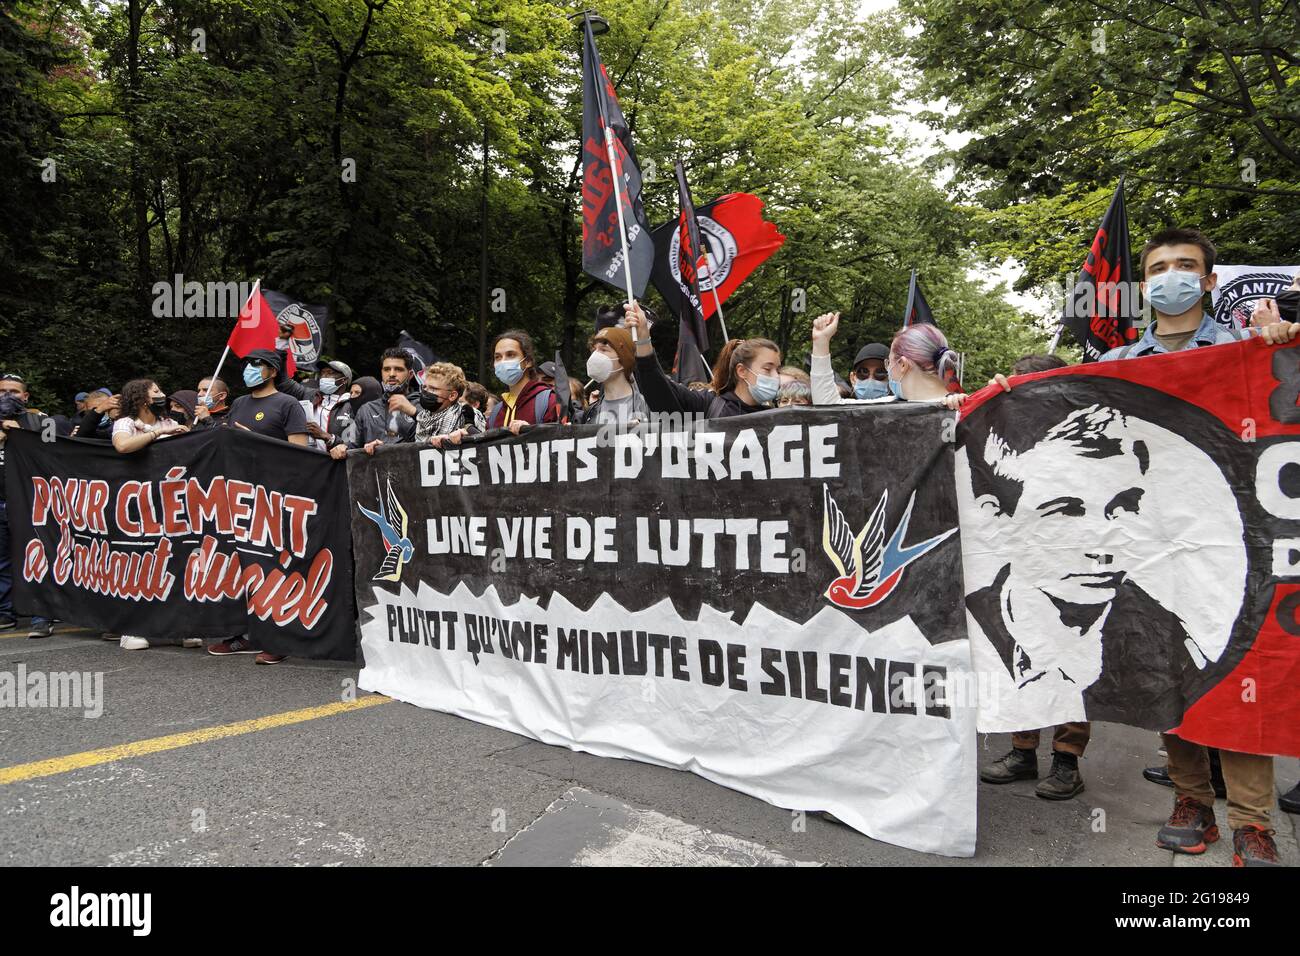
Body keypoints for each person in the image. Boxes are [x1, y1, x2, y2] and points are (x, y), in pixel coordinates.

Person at [987, 227, 1300, 866]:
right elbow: (1057, 414)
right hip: (1151, 544)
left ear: (1210, 282)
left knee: (1242, 666)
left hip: (1229, 539)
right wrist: (1008, 398)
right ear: (1144, 283)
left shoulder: (1246, 350)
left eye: (1187, 266)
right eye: (1160, 268)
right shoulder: (1119, 365)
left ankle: (1251, 820)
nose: (1172, 277)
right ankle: (1190, 801)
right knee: (1170, 669)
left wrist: (1283, 345)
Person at [107, 379, 198, 651]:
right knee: (139, 563)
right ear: (141, 398)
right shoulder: (125, 423)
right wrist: (157, 435)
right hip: (137, 503)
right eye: (156, 391)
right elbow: (123, 446)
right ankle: (132, 628)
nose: (162, 395)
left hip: (171, 502)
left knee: (176, 561)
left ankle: (177, 626)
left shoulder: (170, 422)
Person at [627, 302, 780, 419]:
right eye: (768, 369)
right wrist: (642, 340)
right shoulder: (707, 405)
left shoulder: (780, 420)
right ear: (742, 371)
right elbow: (660, 394)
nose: (776, 377)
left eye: (777, 370)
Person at [0, 373, 54, 636]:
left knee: (36, 558)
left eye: (13, 391)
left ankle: (41, 616)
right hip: (1, 499)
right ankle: (5, 613)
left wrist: (23, 436)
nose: (7, 396)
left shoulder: (41, 419)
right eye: (2, 391)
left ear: (25, 396)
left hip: (32, 501)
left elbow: (55, 449)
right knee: (2, 562)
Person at [366, 361, 481, 452]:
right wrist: (383, 449)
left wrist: (462, 437)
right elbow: (410, 449)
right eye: (425, 387)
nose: (426, 392)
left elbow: (486, 445)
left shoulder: (466, 414)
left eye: (433, 389)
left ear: (452, 395)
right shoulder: (422, 419)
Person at [223, 350, 309, 446]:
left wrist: (254, 440)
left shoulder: (288, 404)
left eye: (256, 363)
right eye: (246, 364)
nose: (249, 368)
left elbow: (300, 451)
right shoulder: (238, 402)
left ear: (272, 372)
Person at [485, 330, 560, 432]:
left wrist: (532, 431)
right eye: (497, 357)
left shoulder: (550, 401)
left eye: (511, 355)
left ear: (527, 361)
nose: (503, 361)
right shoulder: (496, 412)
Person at [574, 325, 648, 428]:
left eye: (604, 350)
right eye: (594, 350)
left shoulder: (647, 408)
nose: (595, 356)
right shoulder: (590, 413)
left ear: (624, 359)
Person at [276, 359, 353, 451]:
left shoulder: (352, 405)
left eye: (330, 373)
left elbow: (354, 444)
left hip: (334, 462)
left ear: (344, 380)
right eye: (322, 373)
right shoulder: (310, 395)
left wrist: (326, 437)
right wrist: (282, 352)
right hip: (307, 458)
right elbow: (284, 383)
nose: (324, 376)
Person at [351, 348, 420, 447]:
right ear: (382, 372)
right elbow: (352, 447)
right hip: (374, 463)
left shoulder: (423, 405)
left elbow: (437, 435)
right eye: (387, 369)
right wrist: (338, 444)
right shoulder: (366, 409)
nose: (392, 374)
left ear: (410, 375)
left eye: (398, 369)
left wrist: (414, 412)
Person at [327, 376, 382, 459]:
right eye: (351, 393)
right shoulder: (352, 415)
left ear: (370, 394)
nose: (352, 397)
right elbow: (353, 444)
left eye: (357, 393)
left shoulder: (388, 415)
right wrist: (343, 447)